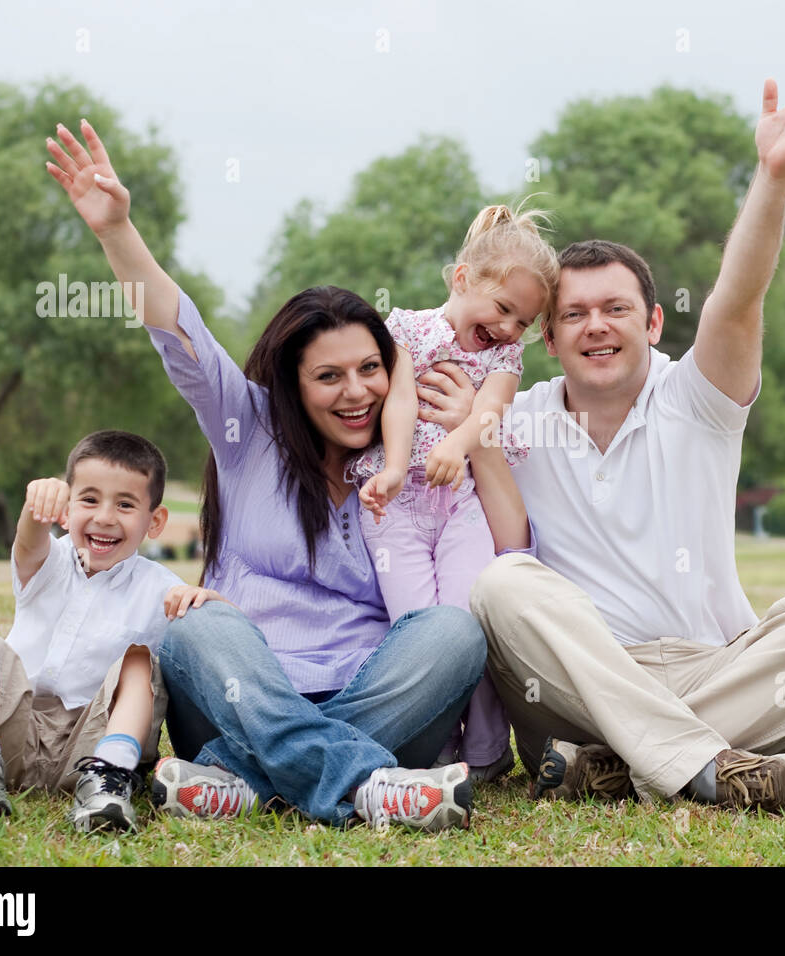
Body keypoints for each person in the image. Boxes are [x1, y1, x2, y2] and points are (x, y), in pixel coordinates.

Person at [463, 65, 785, 816]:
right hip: (572, 686)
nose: (597, 325)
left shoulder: (697, 399)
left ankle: (621, 768)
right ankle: (710, 765)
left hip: (713, 672)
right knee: (503, 585)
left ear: (654, 325)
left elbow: (739, 296)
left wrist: (773, 175)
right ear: (548, 338)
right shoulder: (511, 419)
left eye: (617, 309)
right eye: (575, 314)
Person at [45, 120, 494, 831]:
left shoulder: (412, 463)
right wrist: (115, 232)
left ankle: (241, 780)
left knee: (454, 633)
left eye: (370, 370)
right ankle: (368, 783)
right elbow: (176, 327)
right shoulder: (247, 427)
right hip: (238, 687)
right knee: (197, 627)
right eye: (329, 377)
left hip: (371, 693)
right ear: (291, 381)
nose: (356, 393)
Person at [0, 430, 227, 832]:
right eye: (88, 499)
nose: (104, 517)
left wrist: (208, 601)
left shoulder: (162, 589)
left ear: (154, 521)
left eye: (125, 504)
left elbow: (215, 637)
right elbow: (29, 540)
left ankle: (108, 781)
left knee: (138, 664)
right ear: (65, 510)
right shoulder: (46, 561)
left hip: (91, 745)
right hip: (13, 734)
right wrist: (37, 505)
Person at [352, 203, 557, 782]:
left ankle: (488, 750)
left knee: (472, 617)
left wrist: (457, 442)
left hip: (460, 502)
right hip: (399, 507)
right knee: (419, 628)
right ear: (463, 279)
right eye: (504, 310)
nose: (511, 328)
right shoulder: (406, 328)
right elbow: (398, 399)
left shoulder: (503, 356)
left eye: (524, 321)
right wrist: (394, 468)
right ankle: (436, 746)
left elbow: (489, 412)